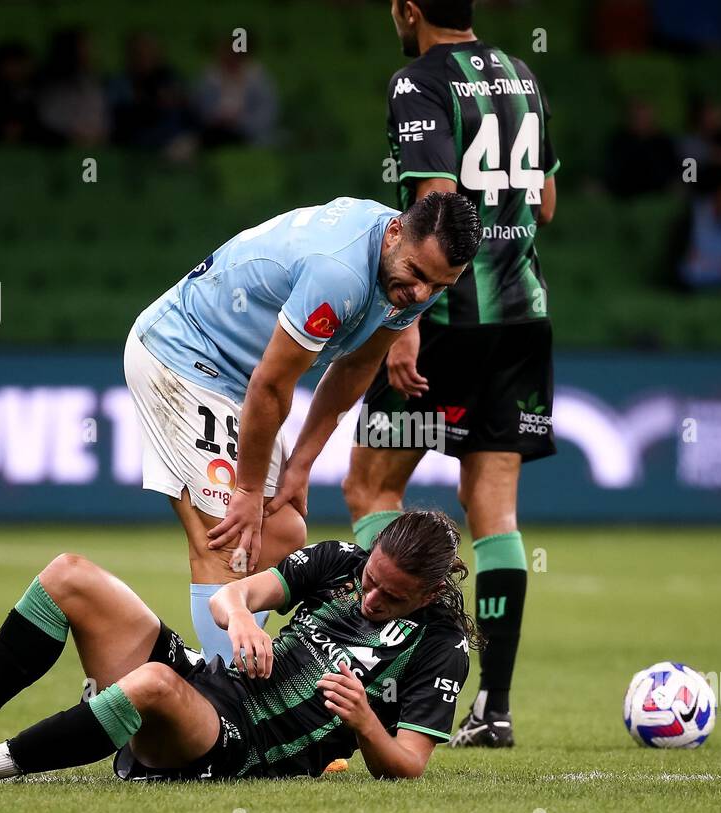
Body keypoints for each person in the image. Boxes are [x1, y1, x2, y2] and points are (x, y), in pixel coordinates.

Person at [0, 511, 475, 784]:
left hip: (244, 745)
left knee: (152, 685)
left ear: (428, 593)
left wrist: (366, 723)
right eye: (371, 582)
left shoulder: (442, 649)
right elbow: (231, 596)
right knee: (70, 574)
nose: (370, 597)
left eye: (391, 597)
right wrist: (242, 621)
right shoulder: (343, 559)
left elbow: (409, 764)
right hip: (212, 685)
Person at [128, 192, 480, 663]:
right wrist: (248, 490)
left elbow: (357, 367)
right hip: (186, 359)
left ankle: (204, 680)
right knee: (231, 542)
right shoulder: (338, 271)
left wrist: (300, 467)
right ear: (395, 232)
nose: (421, 293)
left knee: (284, 532)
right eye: (418, 275)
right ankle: (222, 712)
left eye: (440, 285)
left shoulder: (411, 274)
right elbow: (273, 383)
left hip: (240, 381)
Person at [342, 0, 558, 749]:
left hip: (448, 319)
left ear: (409, 8)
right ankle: (492, 710)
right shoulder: (522, 76)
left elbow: (433, 205)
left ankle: (405, 659)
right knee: (494, 513)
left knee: (371, 489)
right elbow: (548, 202)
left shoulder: (418, 81)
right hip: (523, 318)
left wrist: (407, 324)